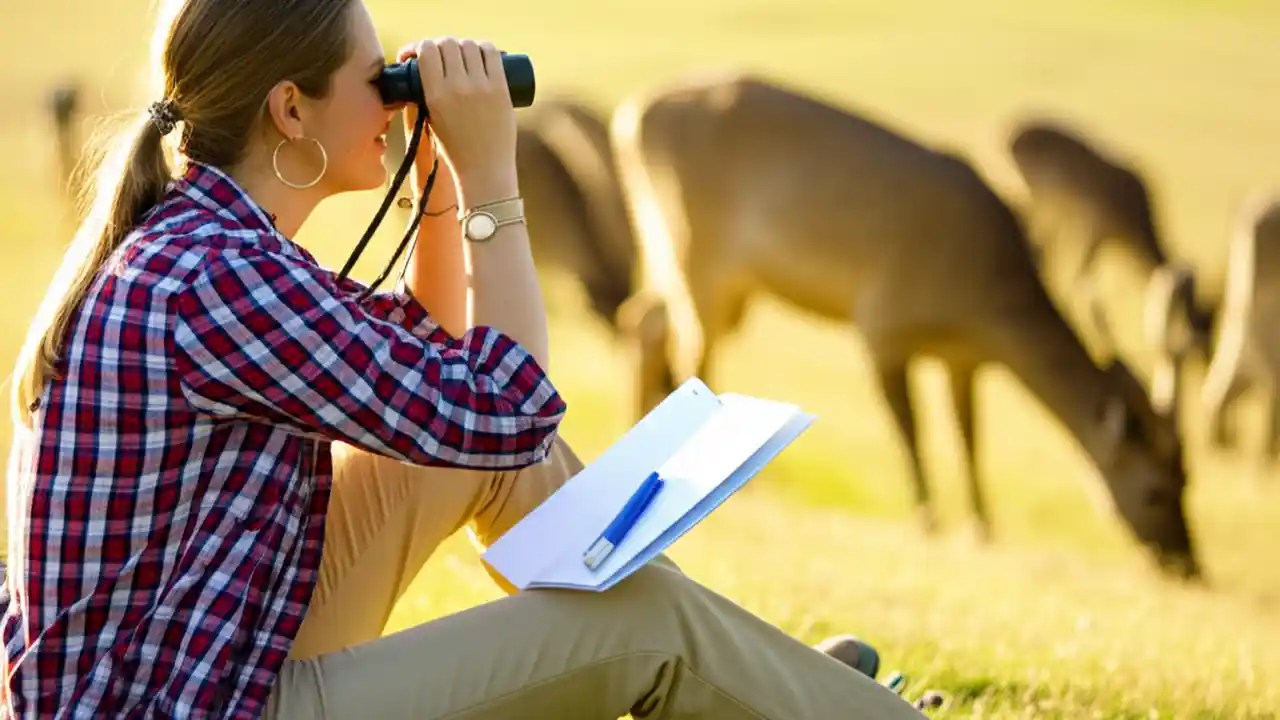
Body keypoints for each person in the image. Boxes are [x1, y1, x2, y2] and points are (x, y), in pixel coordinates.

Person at [0, 0, 923, 717]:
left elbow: (440, 374)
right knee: (650, 623)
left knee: (467, 459)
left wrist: (441, 188)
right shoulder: (217, 280)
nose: (400, 93)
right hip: (194, 704)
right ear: (290, 109)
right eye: (379, 77)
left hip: (209, 665)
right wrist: (493, 178)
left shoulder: (208, 245)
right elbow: (511, 409)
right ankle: (774, 689)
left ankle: (772, 689)